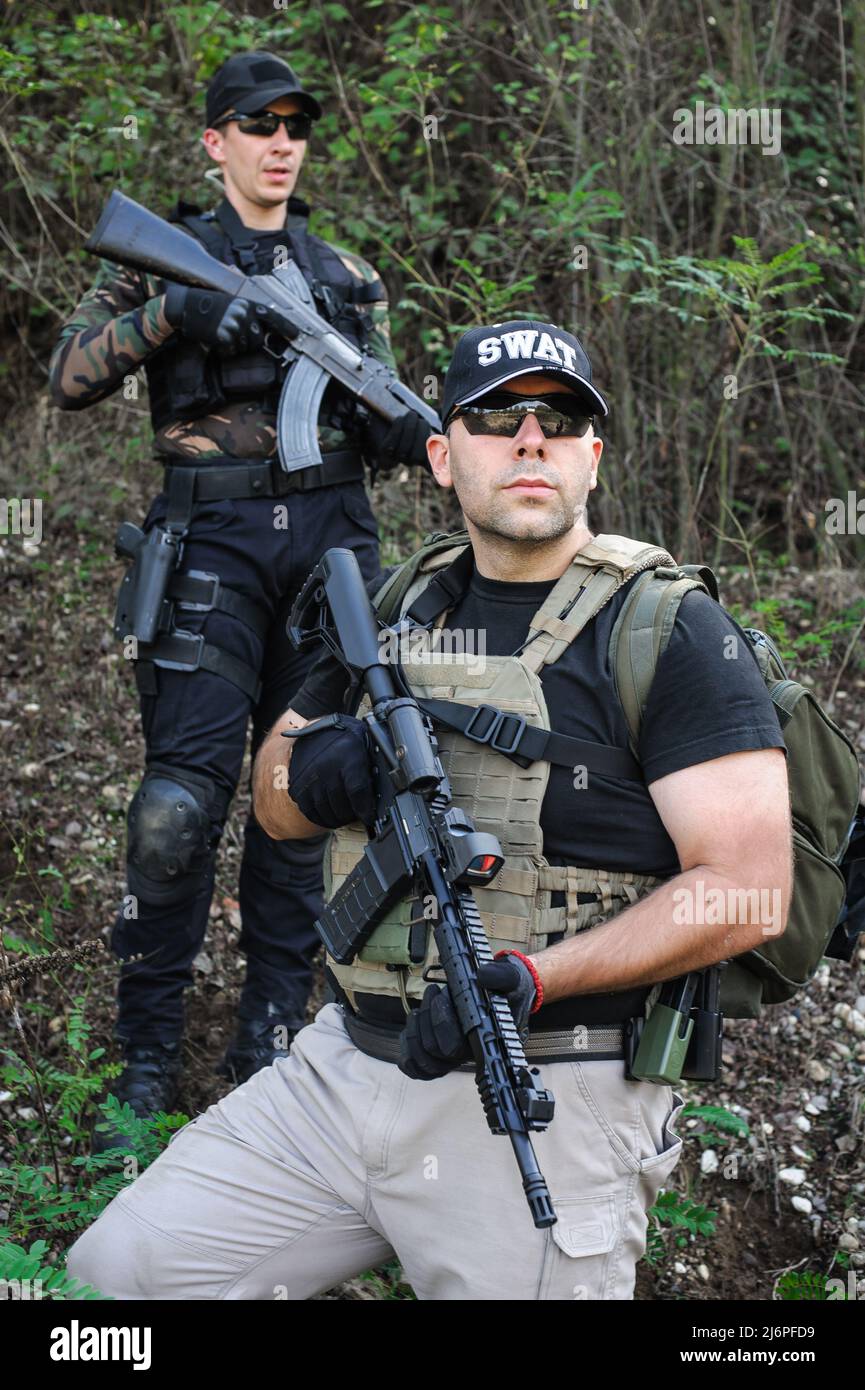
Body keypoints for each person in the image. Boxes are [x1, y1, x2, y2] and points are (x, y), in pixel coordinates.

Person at [66, 318, 792, 1299]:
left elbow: (747, 892)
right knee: (116, 1278)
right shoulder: (405, 603)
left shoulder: (668, 629)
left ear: (591, 457)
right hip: (341, 1069)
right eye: (497, 416)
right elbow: (278, 804)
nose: (530, 438)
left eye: (560, 417)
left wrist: (533, 978)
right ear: (443, 457)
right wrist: (325, 769)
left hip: (549, 1091)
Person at [48, 50, 431, 1133]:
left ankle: (266, 1041)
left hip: (328, 547)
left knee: (296, 801)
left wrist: (409, 429)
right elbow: (68, 377)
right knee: (175, 813)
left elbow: (383, 405)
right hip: (210, 540)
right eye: (258, 123)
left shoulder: (346, 273)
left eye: (296, 125)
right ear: (215, 140)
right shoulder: (163, 256)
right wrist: (170, 319)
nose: (281, 141)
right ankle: (143, 1059)